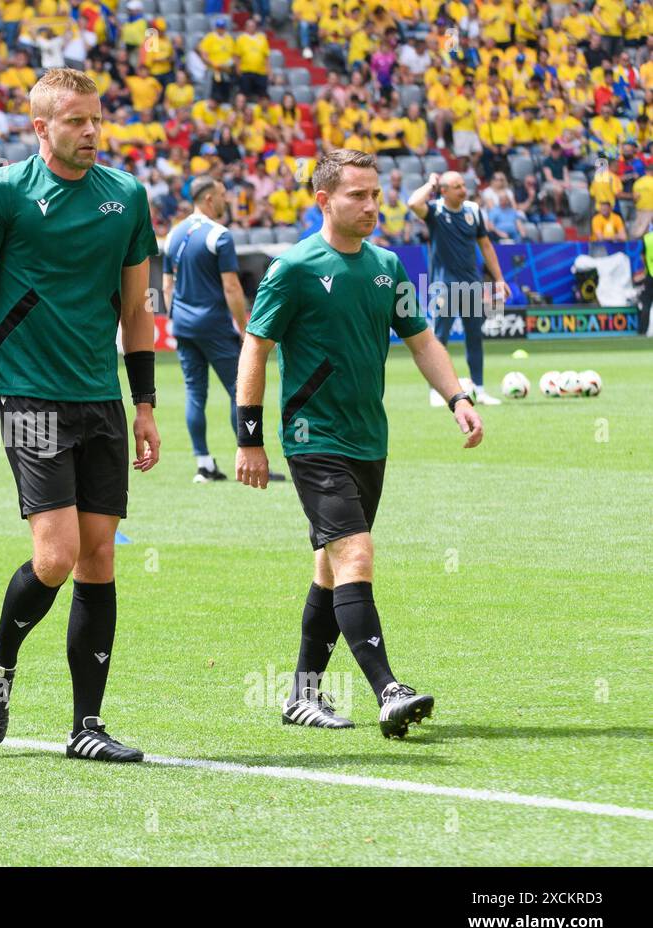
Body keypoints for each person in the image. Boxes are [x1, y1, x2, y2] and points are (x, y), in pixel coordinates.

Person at [235, 149, 484, 737]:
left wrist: (459, 397)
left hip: (369, 439)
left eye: (376, 194)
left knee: (330, 566)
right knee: (357, 556)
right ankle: (388, 689)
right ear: (324, 200)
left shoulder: (387, 266)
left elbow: (422, 341)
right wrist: (248, 438)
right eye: (357, 195)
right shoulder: (292, 267)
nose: (372, 205)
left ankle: (302, 695)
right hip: (311, 437)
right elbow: (256, 347)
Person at [0, 69, 160, 763]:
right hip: (29, 393)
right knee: (57, 554)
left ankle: (86, 727)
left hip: (101, 397)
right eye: (75, 121)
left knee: (99, 558)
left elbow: (136, 313)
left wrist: (146, 405)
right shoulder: (4, 193)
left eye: (96, 118)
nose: (91, 131)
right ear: (41, 128)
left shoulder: (127, 198)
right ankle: (0, 661)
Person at [163, 176, 284, 483]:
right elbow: (231, 286)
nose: (226, 200)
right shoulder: (220, 235)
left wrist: (177, 318)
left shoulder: (174, 234)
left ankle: (203, 464)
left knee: (195, 393)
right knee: (239, 390)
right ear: (207, 199)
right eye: (221, 195)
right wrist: (244, 327)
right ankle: (251, 458)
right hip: (214, 325)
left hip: (184, 325)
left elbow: (167, 287)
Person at [406, 171, 510, 407]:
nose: (463, 190)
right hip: (444, 285)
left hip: (472, 284)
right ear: (443, 191)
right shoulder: (435, 211)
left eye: (463, 185)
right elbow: (413, 203)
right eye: (456, 186)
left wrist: (499, 278)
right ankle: (435, 391)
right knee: (438, 339)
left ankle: (479, 389)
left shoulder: (473, 210)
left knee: (475, 337)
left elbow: (485, 245)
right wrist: (431, 182)